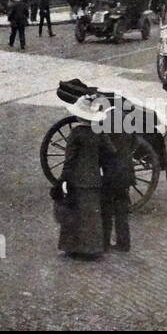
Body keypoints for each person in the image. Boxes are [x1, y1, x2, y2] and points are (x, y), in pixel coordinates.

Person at [54, 98, 110, 261]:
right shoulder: (98, 132)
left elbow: (69, 160)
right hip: (94, 178)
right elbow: (109, 151)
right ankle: (92, 249)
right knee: (91, 214)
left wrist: (63, 179)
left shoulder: (76, 134)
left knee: (75, 214)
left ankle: (73, 247)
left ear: (79, 116)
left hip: (77, 179)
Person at [100, 122, 134, 252]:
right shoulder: (125, 118)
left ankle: (104, 242)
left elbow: (103, 148)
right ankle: (124, 243)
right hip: (125, 170)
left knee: (106, 208)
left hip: (109, 171)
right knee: (121, 209)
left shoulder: (102, 121)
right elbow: (135, 140)